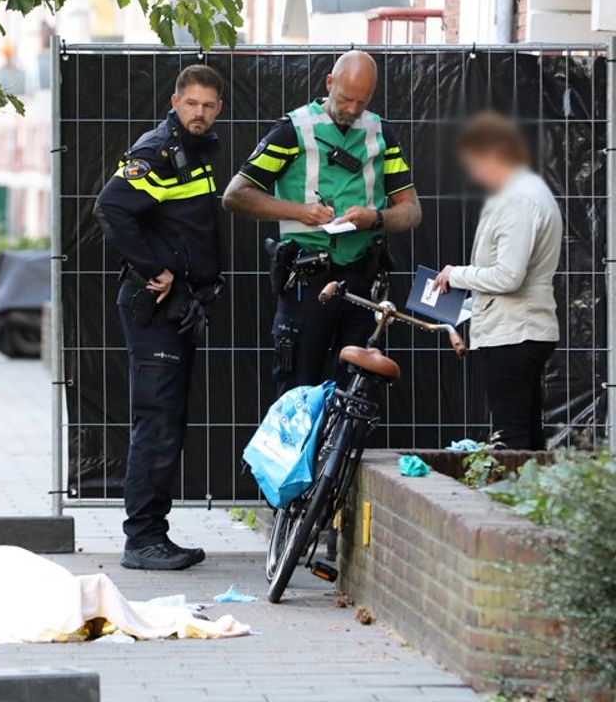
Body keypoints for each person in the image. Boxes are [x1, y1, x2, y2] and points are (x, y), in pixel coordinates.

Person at [223, 50, 422, 397]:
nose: (352, 110)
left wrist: (375, 218)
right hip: (309, 282)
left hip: (361, 281)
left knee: (355, 392)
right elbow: (235, 195)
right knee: (298, 390)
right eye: (345, 99)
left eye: (362, 102)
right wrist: (299, 211)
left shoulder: (380, 134)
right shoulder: (293, 131)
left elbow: (411, 211)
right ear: (329, 83)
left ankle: (342, 451)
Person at [95, 65, 225, 571]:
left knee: (166, 422)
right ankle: (143, 540)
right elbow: (111, 207)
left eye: (208, 105)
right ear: (175, 102)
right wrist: (158, 268)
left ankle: (153, 535)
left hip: (178, 308)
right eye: (191, 103)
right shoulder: (158, 151)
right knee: (156, 424)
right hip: (153, 307)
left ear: (218, 109)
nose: (199, 113)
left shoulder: (195, 151)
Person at [433, 112, 562, 450]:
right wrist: (460, 314)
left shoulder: (516, 200)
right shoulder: (530, 191)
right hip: (524, 327)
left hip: (514, 332)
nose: (473, 173)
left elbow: (508, 276)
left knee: (511, 438)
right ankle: (532, 499)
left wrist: (455, 274)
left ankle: (506, 502)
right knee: (528, 435)